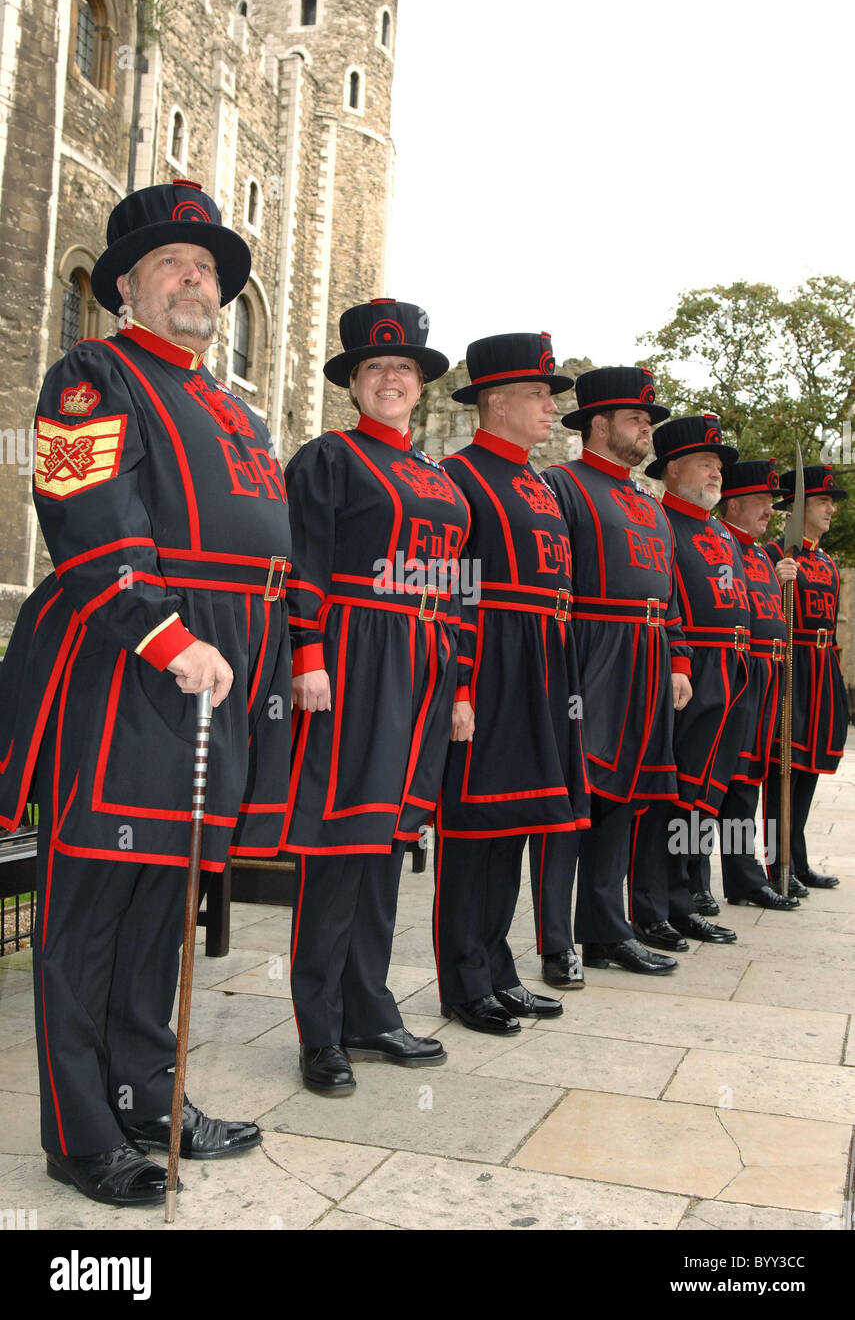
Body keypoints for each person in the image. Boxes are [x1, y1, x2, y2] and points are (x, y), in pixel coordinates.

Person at [0, 180, 291, 1205]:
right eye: (171, 262)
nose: (193, 279)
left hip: (217, 680)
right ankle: (79, 1134)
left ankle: (147, 1099)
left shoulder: (235, 411)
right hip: (125, 675)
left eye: (207, 267)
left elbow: (268, 557)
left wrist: (278, 657)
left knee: (159, 913)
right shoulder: (90, 375)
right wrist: (168, 638)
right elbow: (86, 516)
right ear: (126, 285)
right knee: (88, 918)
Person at [283, 299, 471, 1092]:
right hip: (355, 660)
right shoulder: (328, 459)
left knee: (389, 845)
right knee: (339, 845)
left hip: (424, 668)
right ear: (354, 383)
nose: (391, 379)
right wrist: (308, 653)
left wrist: (459, 685)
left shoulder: (437, 477)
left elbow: (459, 589)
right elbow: (302, 561)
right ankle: (318, 1030)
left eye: (404, 369)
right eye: (376, 368)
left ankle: (371, 1009)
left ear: (420, 386)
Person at [433, 332, 590, 1034]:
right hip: (489, 656)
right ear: (493, 401)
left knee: (518, 819)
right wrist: (459, 684)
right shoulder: (458, 477)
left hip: (545, 659)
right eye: (536, 394)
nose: (549, 407)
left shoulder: (535, 481)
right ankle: (463, 982)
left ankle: (498, 969)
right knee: (473, 825)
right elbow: (450, 590)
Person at [542, 367, 691, 977]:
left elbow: (669, 592)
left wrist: (678, 658)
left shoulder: (649, 505)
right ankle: (557, 943)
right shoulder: (561, 485)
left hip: (650, 655)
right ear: (598, 425)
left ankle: (605, 929)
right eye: (636, 419)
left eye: (649, 420)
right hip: (588, 649)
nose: (646, 429)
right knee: (574, 798)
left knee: (624, 799)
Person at [630, 414, 751, 948]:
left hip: (730, 673)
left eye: (719, 467)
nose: (716, 474)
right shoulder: (660, 521)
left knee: (704, 797)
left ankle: (689, 896)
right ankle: (654, 906)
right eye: (706, 464)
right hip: (688, 667)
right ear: (673, 468)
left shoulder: (721, 531)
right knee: (669, 793)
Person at [715, 459, 800, 910]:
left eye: (771, 502)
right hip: (737, 675)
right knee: (716, 783)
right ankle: (691, 880)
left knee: (747, 780)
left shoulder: (763, 554)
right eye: (762, 502)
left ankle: (744, 875)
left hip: (768, 680)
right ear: (733, 502)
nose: (770, 511)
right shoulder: (721, 544)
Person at [763, 464, 849, 891]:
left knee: (810, 768)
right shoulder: (774, 554)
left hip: (820, 670)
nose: (830, 509)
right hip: (789, 668)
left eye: (830, 502)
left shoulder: (830, 565)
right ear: (798, 508)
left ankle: (798, 859)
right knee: (785, 768)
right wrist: (777, 585)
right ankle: (777, 863)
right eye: (822, 501)